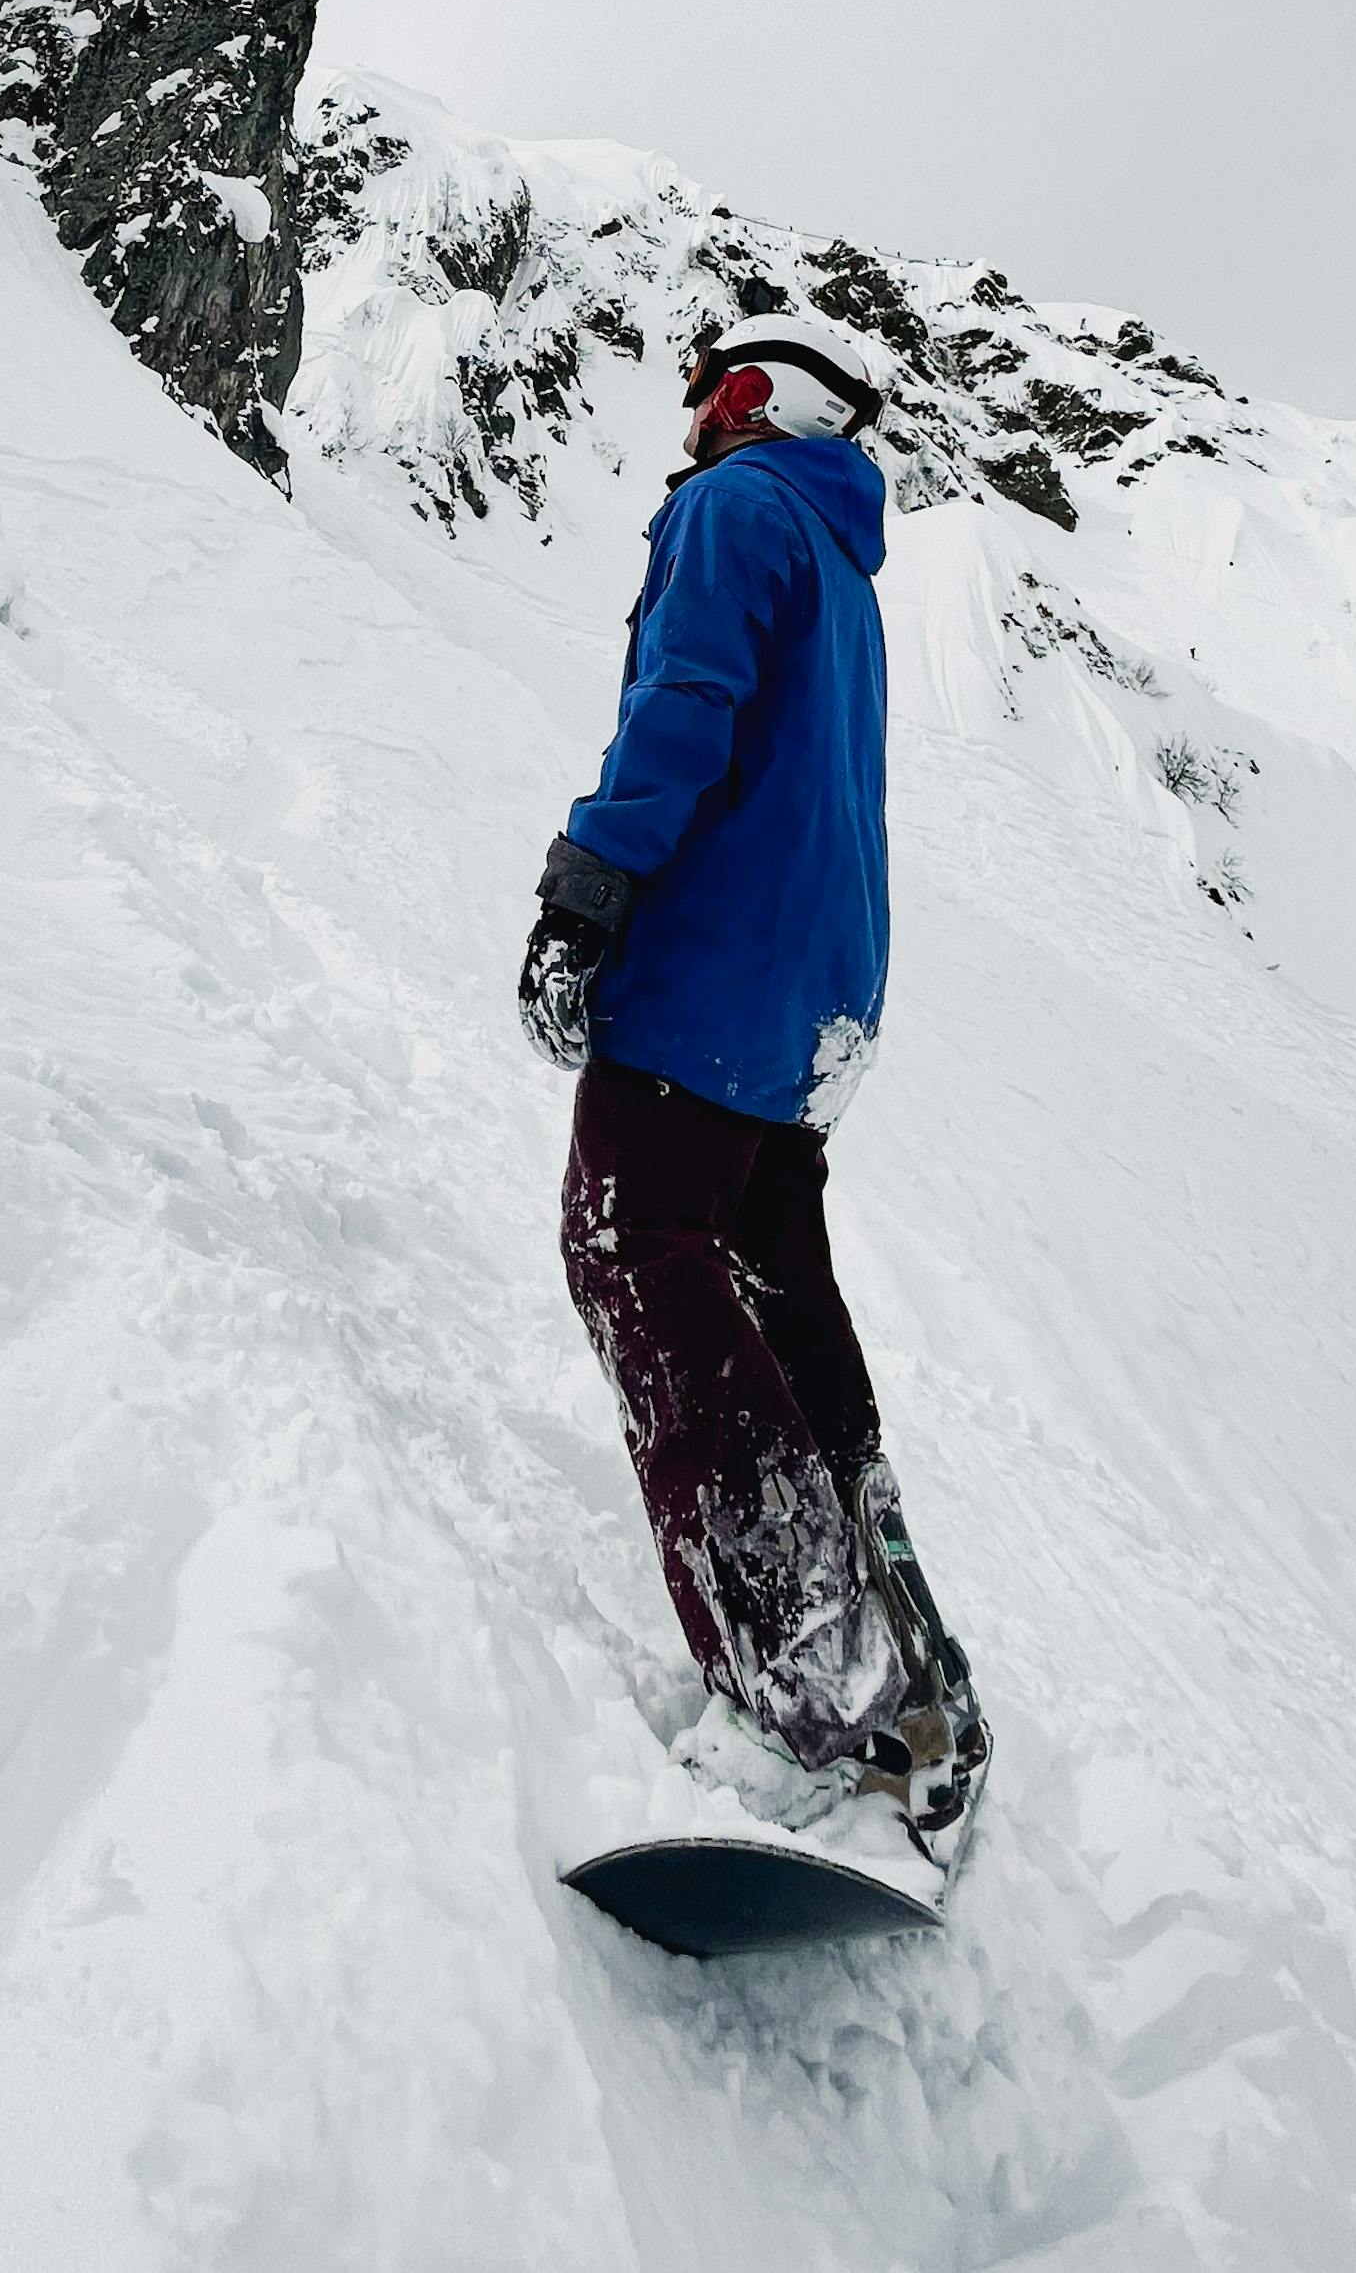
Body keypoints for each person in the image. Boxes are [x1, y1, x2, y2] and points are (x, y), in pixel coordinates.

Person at [521, 309, 988, 1856]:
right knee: (773, 1285)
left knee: (632, 1246)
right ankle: (896, 1651)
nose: (691, 422)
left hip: (718, 968)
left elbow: (685, 711)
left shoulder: (737, 510)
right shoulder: (841, 564)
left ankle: (807, 1695)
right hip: (816, 995)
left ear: (754, 398)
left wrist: (589, 887)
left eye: (706, 391)